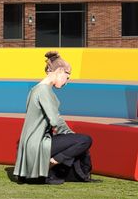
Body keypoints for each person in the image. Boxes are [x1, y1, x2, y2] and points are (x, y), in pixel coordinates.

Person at [12, 51, 93, 184]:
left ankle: (52, 169)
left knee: (75, 140)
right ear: (60, 71)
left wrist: (69, 135)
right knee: (84, 140)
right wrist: (70, 134)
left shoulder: (35, 89)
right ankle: (50, 164)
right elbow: (55, 120)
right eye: (67, 77)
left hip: (31, 144)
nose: (67, 82)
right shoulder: (44, 90)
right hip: (38, 143)